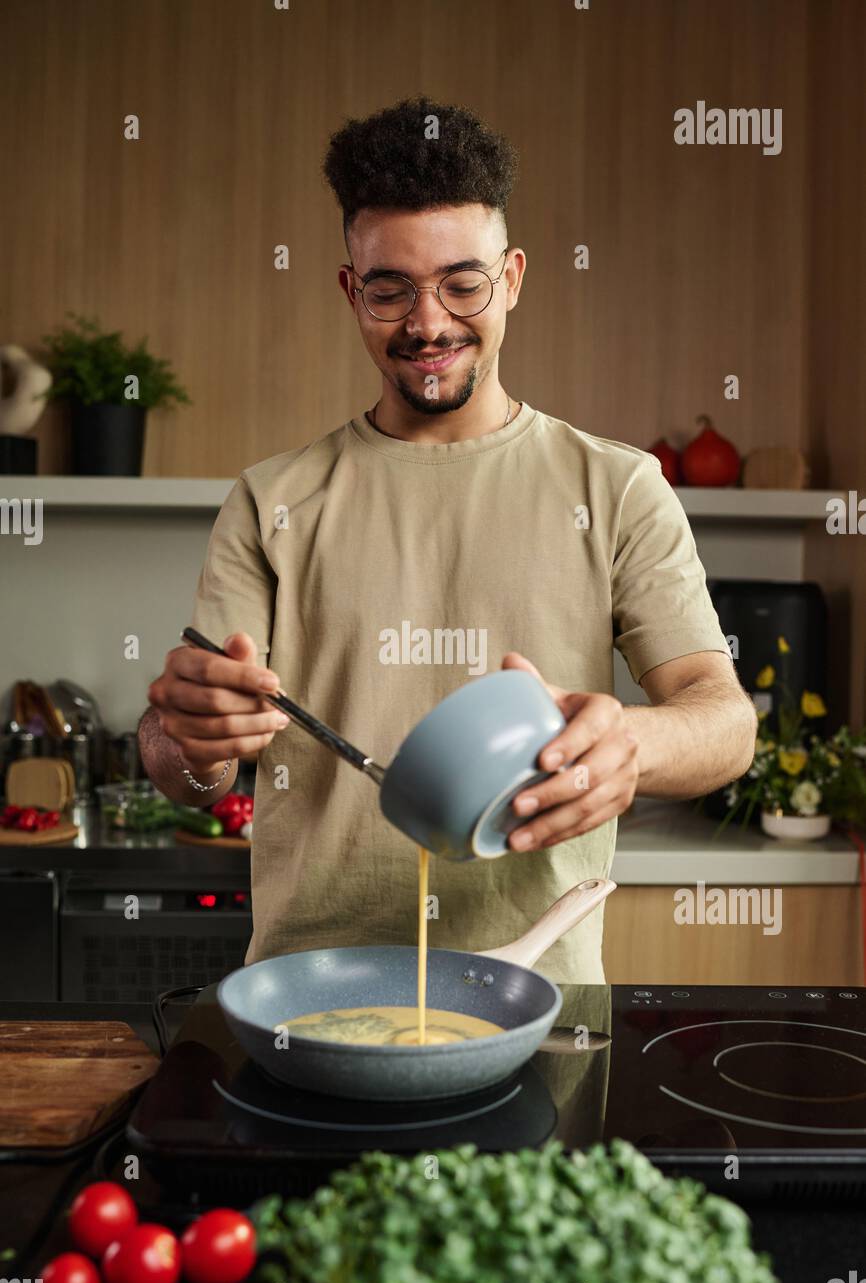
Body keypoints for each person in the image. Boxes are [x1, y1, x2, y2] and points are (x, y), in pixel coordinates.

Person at [140, 96, 756, 983]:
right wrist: (187, 741)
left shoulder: (618, 488)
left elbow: (725, 720)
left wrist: (635, 743)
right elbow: (190, 767)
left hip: (538, 999)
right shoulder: (271, 501)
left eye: (462, 284)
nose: (428, 324)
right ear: (353, 291)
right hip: (308, 997)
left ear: (511, 278)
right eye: (391, 288)